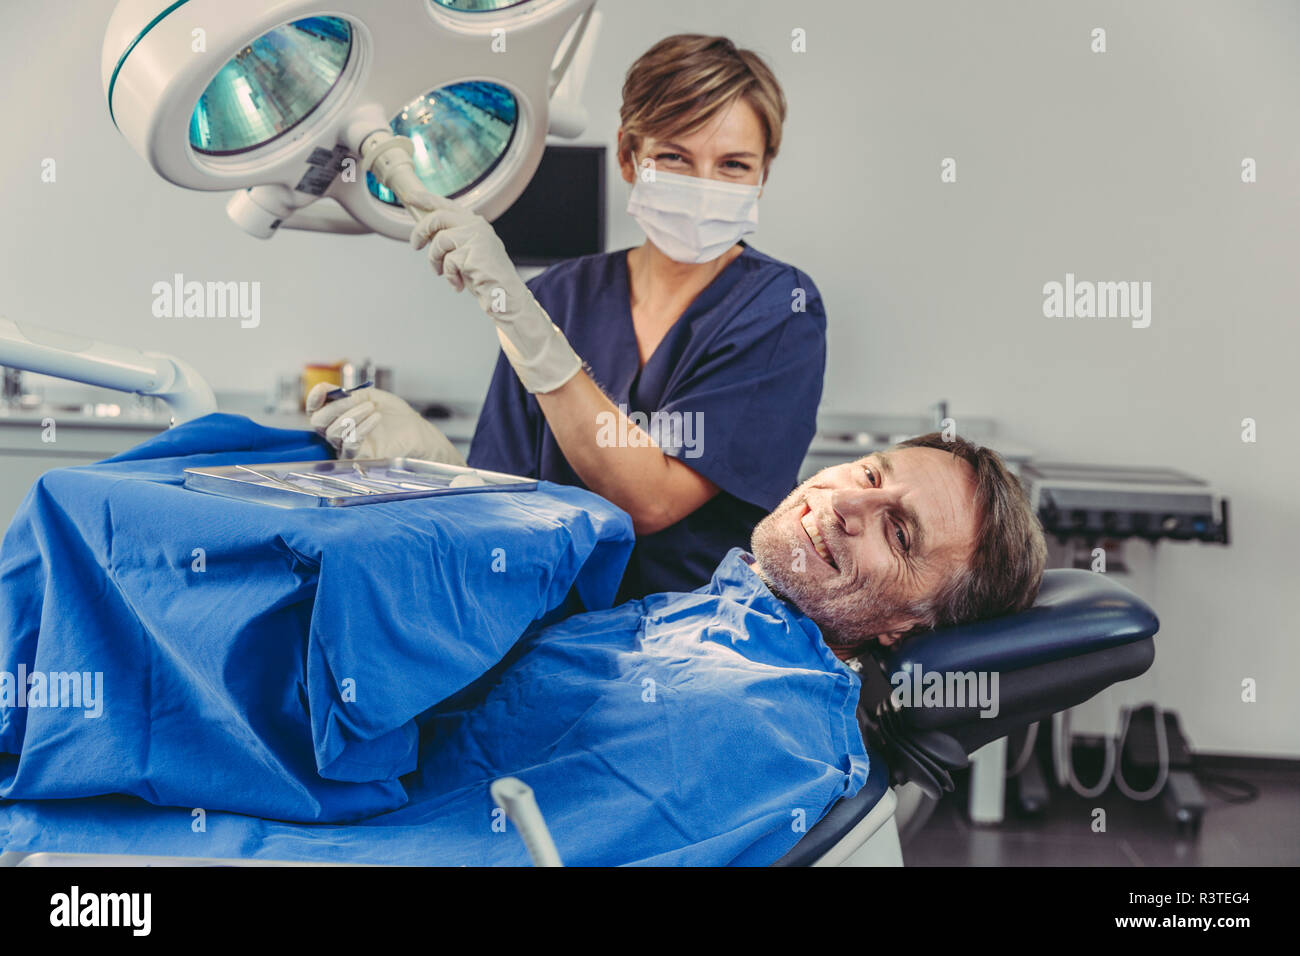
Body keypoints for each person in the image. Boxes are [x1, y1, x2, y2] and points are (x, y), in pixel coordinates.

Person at [308, 35, 827, 601]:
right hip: (542, 625)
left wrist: (533, 333)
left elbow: (650, 501)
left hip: (695, 644)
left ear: (762, 175)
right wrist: (427, 467)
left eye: (732, 165)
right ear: (629, 155)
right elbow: (500, 507)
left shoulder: (780, 310)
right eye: (674, 157)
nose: (701, 187)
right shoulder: (559, 294)